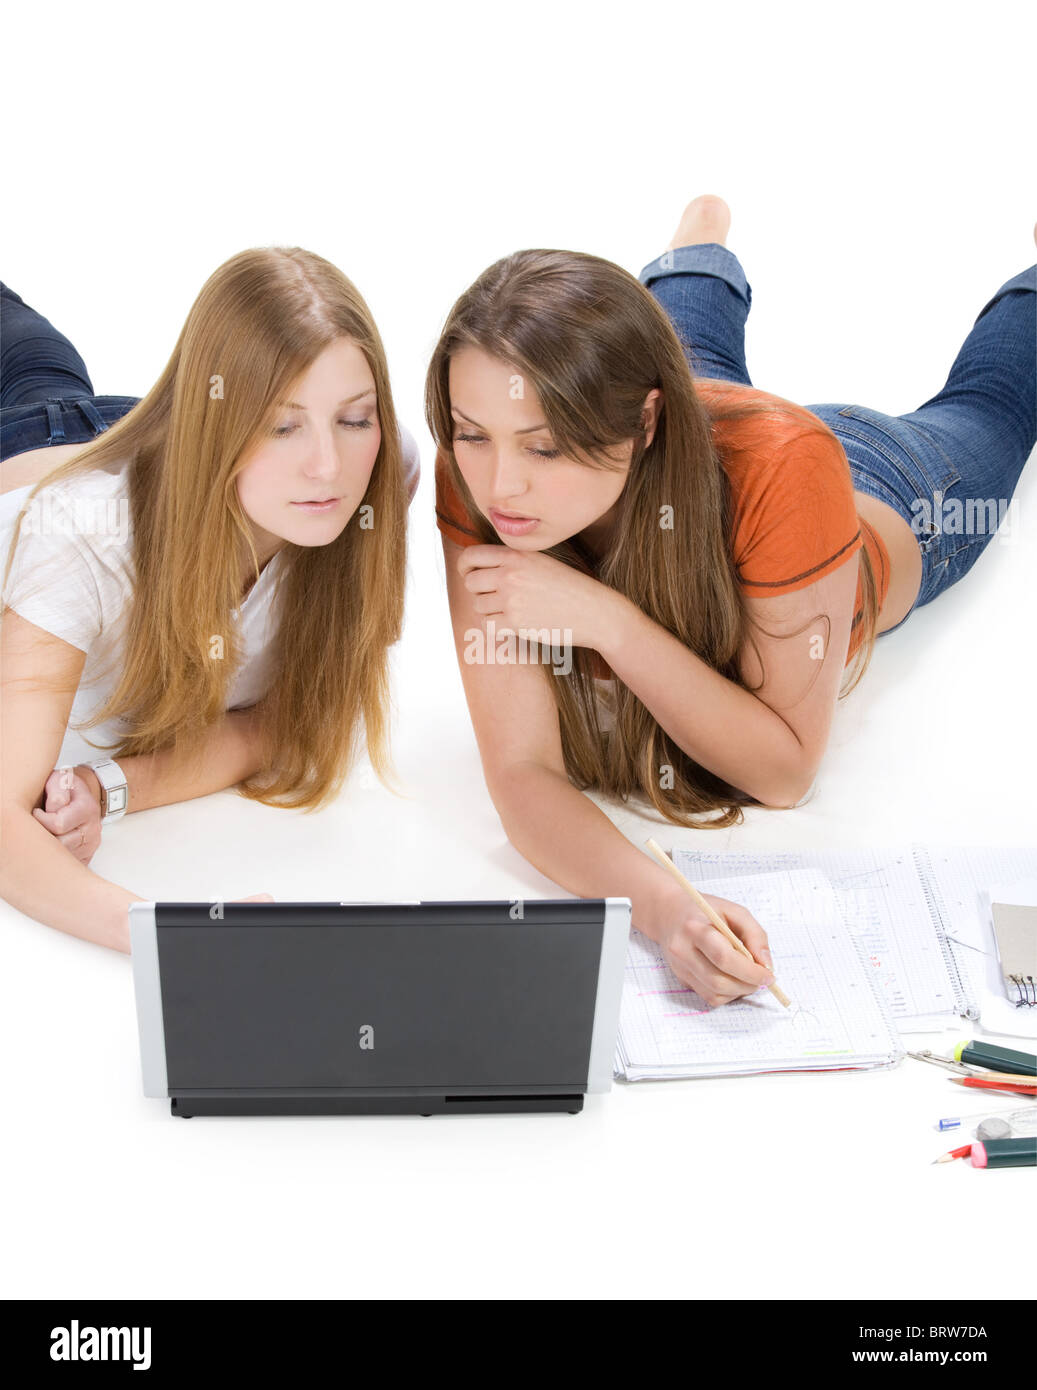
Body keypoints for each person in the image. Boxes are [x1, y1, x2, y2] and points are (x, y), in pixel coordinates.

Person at [429, 195, 1036, 1006]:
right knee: (691, 352)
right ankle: (697, 243)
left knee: (991, 403)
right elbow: (521, 769)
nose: (500, 485)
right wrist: (665, 906)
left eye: (542, 445)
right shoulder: (487, 477)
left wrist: (604, 619)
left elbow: (782, 772)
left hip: (875, 480)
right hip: (700, 436)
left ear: (644, 424)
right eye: (472, 433)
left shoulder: (781, 464)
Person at [0, 250, 421, 953]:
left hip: (130, 430)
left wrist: (110, 786)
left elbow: (285, 723)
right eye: (283, 426)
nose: (328, 465)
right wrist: (176, 940)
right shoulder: (80, 537)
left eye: (353, 418)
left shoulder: (377, 475)